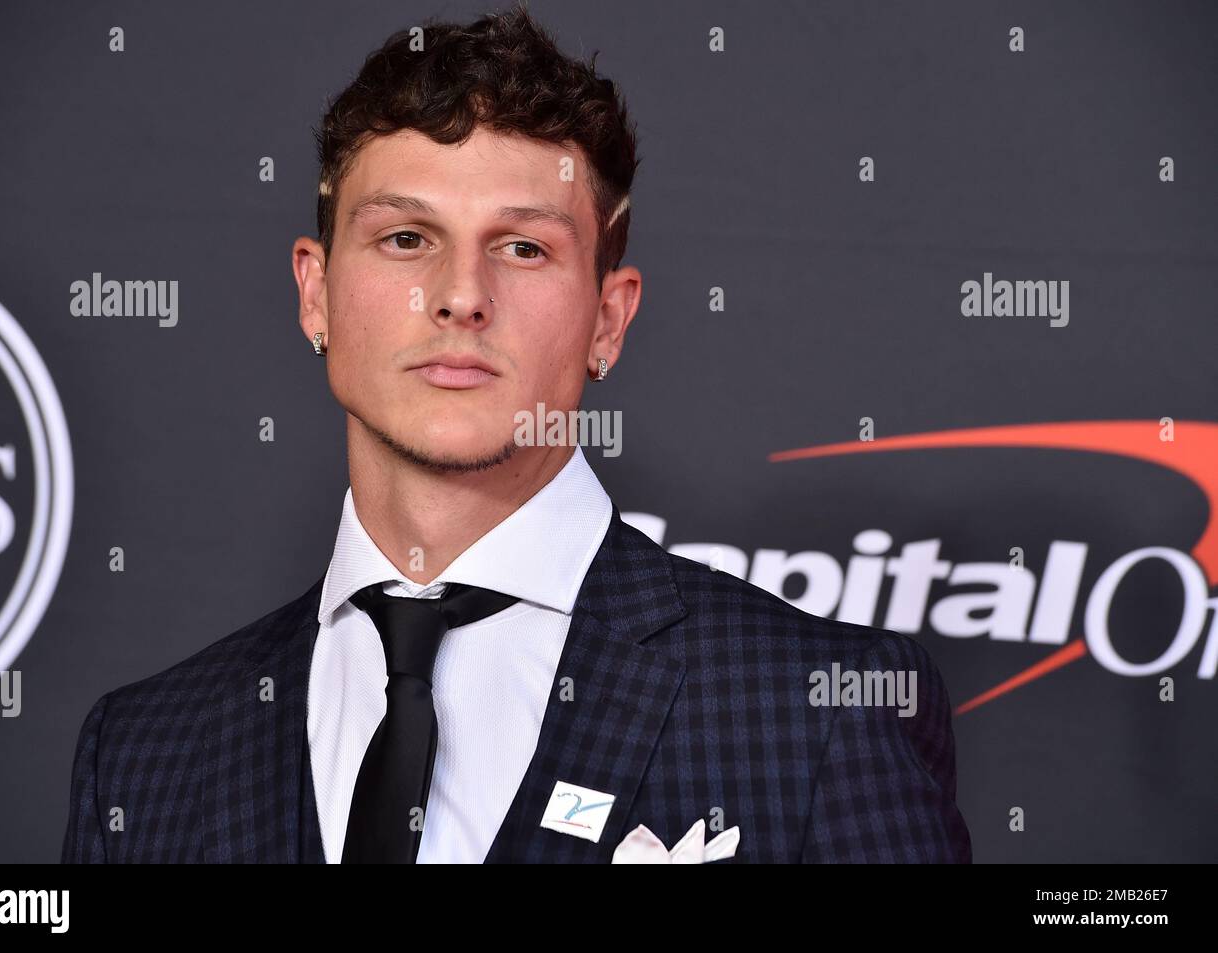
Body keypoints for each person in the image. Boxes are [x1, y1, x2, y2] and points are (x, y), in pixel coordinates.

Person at [62, 3, 971, 864]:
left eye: (523, 247)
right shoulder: (143, 752)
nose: (461, 295)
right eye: (406, 238)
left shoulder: (815, 712)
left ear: (609, 321)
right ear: (316, 294)